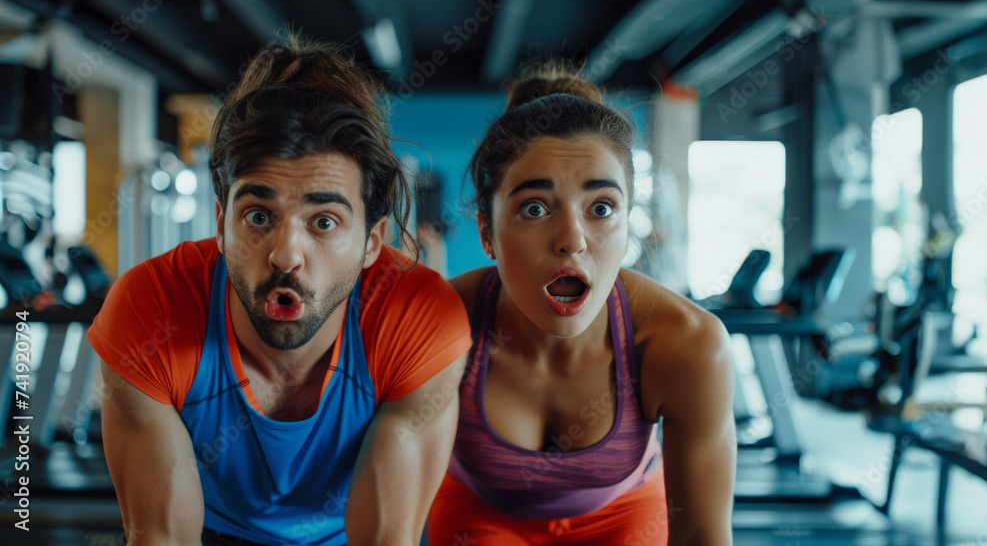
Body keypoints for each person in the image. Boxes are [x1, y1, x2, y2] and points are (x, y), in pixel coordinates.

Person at [89, 35, 471, 546]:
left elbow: (385, 539)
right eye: (259, 216)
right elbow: (162, 538)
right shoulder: (150, 306)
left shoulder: (419, 317)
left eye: (324, 221)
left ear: (372, 243)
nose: (286, 254)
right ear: (221, 224)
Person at [427, 64, 736, 545]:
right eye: (534, 208)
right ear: (487, 231)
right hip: (481, 513)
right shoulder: (439, 325)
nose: (572, 240)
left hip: (625, 512)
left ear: (628, 221)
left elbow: (702, 537)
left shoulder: (686, 342)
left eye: (601, 208)